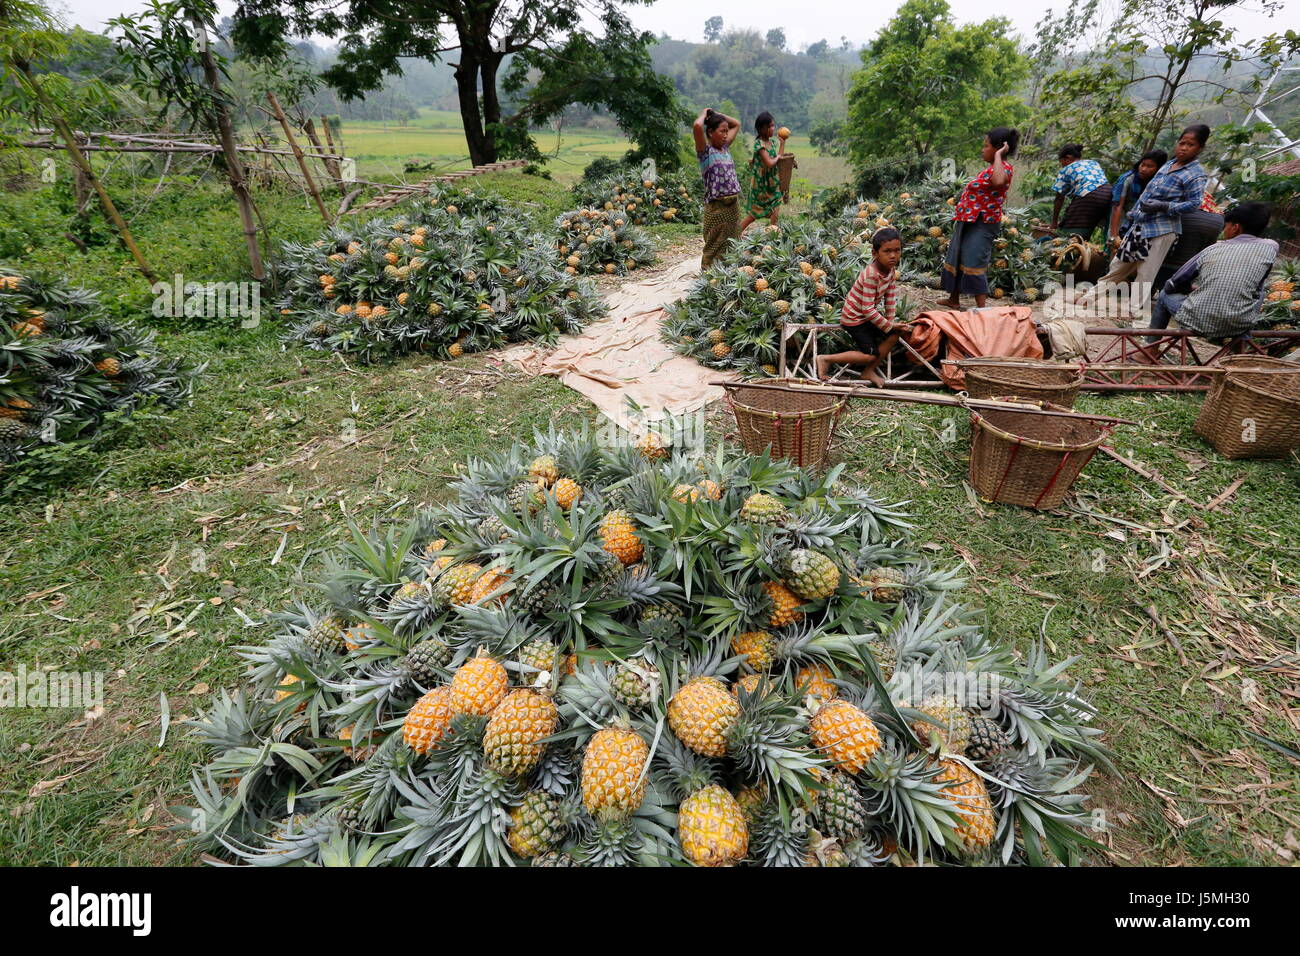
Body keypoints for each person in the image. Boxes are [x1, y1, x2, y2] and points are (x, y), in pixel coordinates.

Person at [1082, 125, 1210, 317]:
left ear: (1199, 148)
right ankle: (1090, 297)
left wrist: (1164, 206)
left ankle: (1131, 311)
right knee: (1120, 264)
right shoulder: (1168, 165)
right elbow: (1148, 192)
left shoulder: (1195, 174)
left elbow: (1194, 203)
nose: (1184, 148)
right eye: (1182, 143)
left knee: (1145, 272)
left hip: (1162, 228)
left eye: (1190, 145)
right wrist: (1134, 214)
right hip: (1140, 225)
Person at [1148, 201, 1277, 341]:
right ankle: (1237, 354)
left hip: (1197, 321)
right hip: (1239, 325)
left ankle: (1150, 350)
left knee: (1164, 295)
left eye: (1226, 226)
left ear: (1235, 228)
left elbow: (1172, 284)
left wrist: (1189, 289)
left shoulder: (1212, 249)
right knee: (1260, 292)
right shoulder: (1271, 248)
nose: (1224, 230)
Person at [937, 127, 1018, 310]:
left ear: (998, 147)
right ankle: (954, 299)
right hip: (969, 220)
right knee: (958, 257)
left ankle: (982, 308)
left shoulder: (1004, 167)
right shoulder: (990, 169)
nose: (983, 149)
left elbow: (998, 182)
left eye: (986, 146)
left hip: (983, 223)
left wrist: (998, 155)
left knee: (975, 261)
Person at [816, 227, 904, 386]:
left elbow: (890, 299)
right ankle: (825, 359)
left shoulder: (890, 271)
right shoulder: (871, 274)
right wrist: (888, 325)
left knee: (894, 335)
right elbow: (867, 309)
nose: (893, 255)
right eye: (887, 251)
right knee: (869, 355)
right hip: (854, 319)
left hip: (867, 317)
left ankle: (868, 371)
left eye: (897, 251)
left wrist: (892, 323)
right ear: (875, 253)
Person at [692, 107, 742, 269]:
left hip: (733, 206)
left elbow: (736, 124)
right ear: (711, 132)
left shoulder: (725, 148)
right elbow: (697, 127)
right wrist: (705, 114)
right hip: (716, 207)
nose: (726, 135)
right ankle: (708, 276)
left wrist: (717, 114)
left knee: (732, 242)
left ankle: (728, 274)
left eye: (727, 132)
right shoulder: (705, 152)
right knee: (714, 245)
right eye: (722, 131)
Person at [739, 112, 787, 234]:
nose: (773, 129)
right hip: (760, 186)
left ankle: (773, 233)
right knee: (753, 215)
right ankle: (734, 235)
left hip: (771, 183)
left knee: (776, 205)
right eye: (770, 126)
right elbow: (770, 163)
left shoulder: (772, 143)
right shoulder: (759, 144)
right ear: (762, 128)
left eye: (773, 126)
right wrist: (778, 157)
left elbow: (778, 157)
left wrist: (782, 143)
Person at [1108, 150, 1167, 246]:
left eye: (1149, 166)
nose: (1143, 169)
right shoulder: (1127, 179)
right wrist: (1114, 236)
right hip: (1120, 221)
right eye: (1142, 164)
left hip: (1139, 226)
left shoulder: (1158, 183)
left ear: (1158, 169)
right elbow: (1117, 207)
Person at [1050, 144, 1111, 238]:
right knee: (1086, 224)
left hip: (1089, 193)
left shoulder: (1067, 169)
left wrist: (1054, 223)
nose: (1062, 165)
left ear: (1068, 157)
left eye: (1062, 162)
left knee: (1069, 231)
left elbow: (1059, 199)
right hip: (1108, 193)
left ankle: (1069, 247)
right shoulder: (1093, 163)